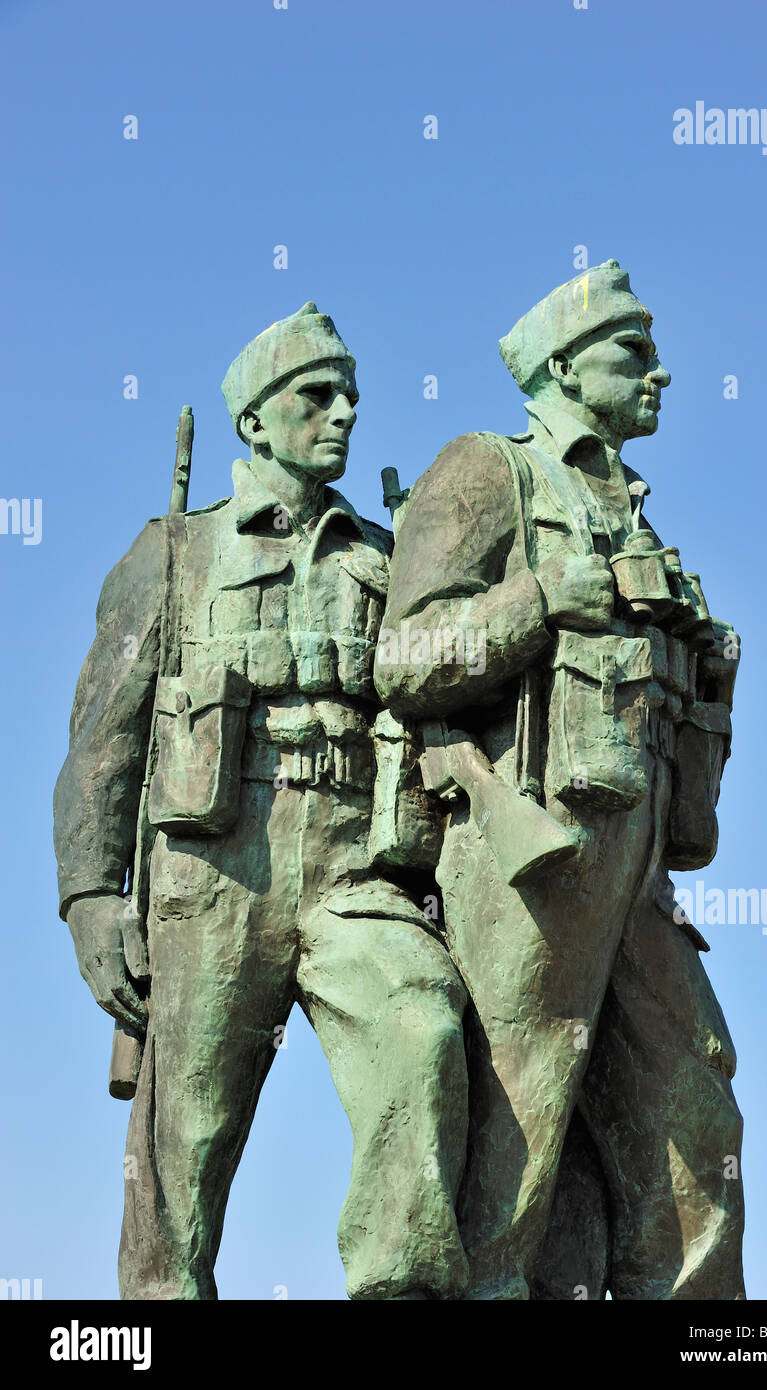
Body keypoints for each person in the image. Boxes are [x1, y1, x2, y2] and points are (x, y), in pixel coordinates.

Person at [54, 303, 469, 1300]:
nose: (343, 415)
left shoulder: (389, 557)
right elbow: (102, 742)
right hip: (215, 865)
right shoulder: (172, 554)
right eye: (315, 396)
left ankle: (400, 1286)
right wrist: (91, 897)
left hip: (354, 865)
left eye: (352, 398)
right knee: (183, 1140)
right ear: (253, 420)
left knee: (422, 1030)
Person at [374, 261, 745, 1300]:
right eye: (634, 351)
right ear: (563, 366)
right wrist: (538, 598)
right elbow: (399, 659)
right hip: (530, 860)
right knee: (517, 1144)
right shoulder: (489, 471)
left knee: (694, 1117)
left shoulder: (634, 512)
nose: (661, 374)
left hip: (638, 877)